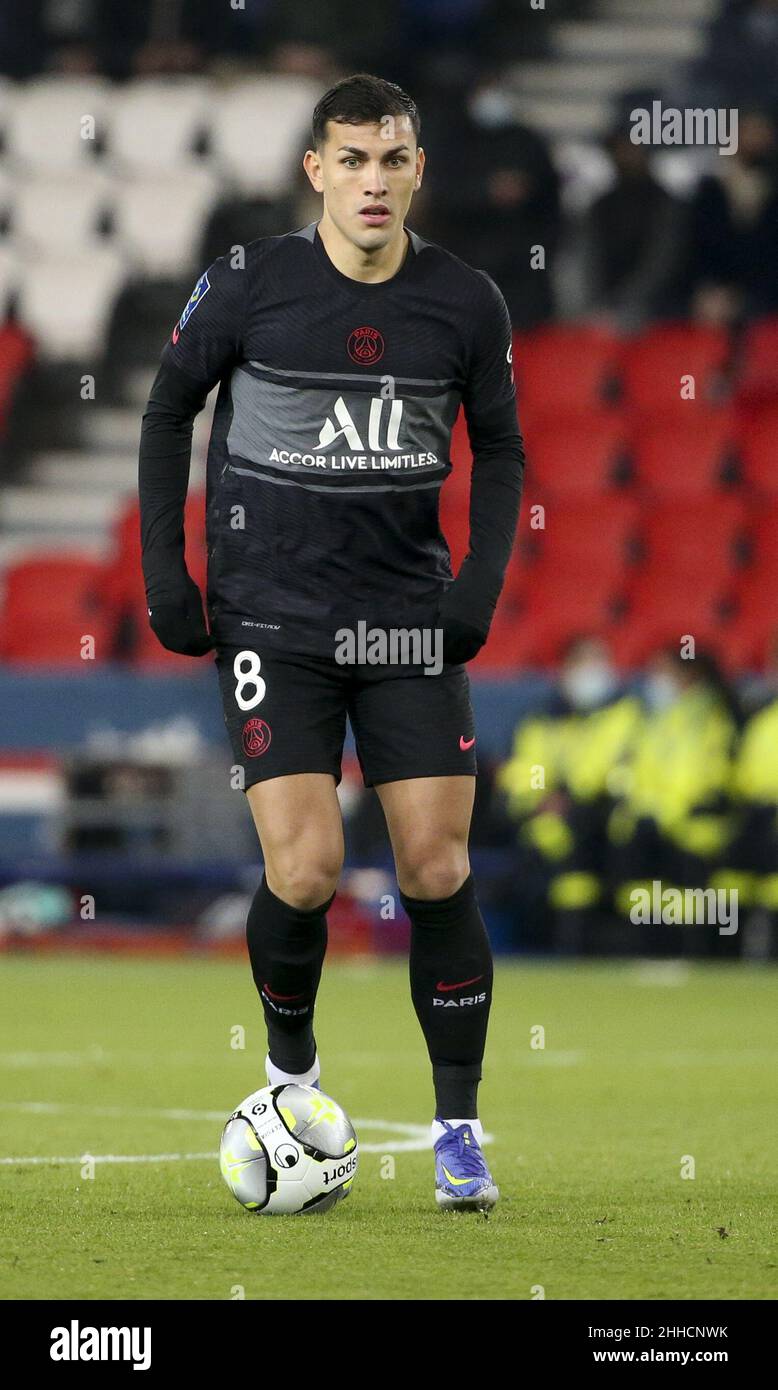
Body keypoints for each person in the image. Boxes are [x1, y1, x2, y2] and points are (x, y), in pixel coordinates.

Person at [138, 73, 525, 1211]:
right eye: (350, 159)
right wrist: (171, 569)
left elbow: (500, 453)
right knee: (303, 869)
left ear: (417, 170)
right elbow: (168, 407)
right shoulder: (250, 282)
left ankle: (458, 1131)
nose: (371, 181)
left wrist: (479, 586)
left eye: (391, 159)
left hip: (407, 615)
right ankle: (290, 1080)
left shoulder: (465, 302)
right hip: (275, 612)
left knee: (435, 866)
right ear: (316, 169)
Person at [497, 635, 640, 952]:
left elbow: (624, 769)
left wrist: (577, 798)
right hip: (550, 817)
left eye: (598, 662)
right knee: (542, 842)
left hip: (604, 815)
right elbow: (525, 771)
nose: (592, 672)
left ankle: (591, 943)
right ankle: (548, 946)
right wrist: (540, 797)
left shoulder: (626, 715)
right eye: (583, 663)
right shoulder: (541, 720)